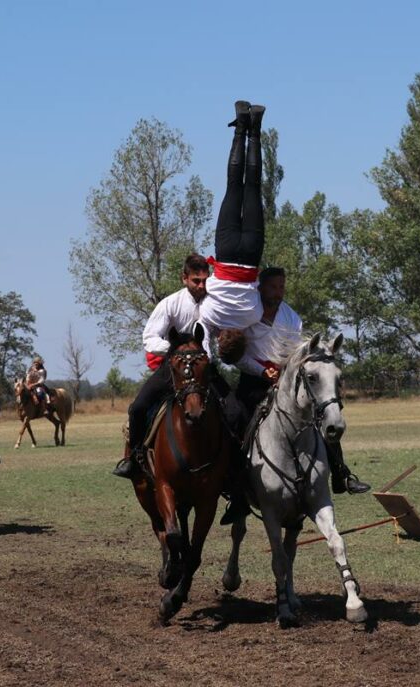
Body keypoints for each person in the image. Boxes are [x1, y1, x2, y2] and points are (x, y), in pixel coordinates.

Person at [236, 267, 370, 495]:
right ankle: (237, 489)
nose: (278, 292)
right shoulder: (246, 315)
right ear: (260, 288)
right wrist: (261, 371)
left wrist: (284, 375)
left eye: (281, 287)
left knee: (322, 415)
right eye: (273, 287)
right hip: (253, 380)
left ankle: (341, 475)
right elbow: (238, 355)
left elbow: (298, 357)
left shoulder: (291, 318)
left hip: (286, 381)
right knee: (235, 418)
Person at [112, 253, 211, 479]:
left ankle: (235, 471)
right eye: (196, 280)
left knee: (232, 410)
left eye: (205, 280)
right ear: (184, 278)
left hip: (205, 370)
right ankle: (135, 459)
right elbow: (149, 337)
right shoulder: (170, 304)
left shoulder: (214, 302)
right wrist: (175, 352)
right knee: (137, 408)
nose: (201, 285)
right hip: (172, 369)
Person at [197, 100, 267, 345]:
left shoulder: (253, 318)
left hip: (249, 256)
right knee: (234, 186)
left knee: (253, 189)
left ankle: (255, 128)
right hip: (226, 253)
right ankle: (240, 128)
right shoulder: (209, 315)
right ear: (220, 339)